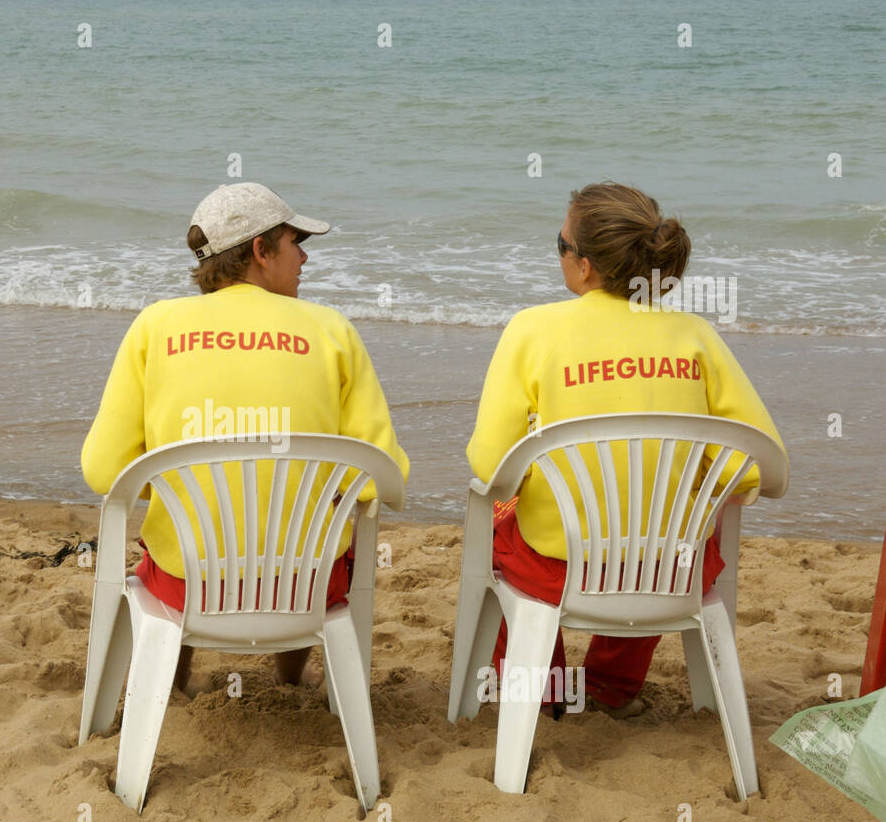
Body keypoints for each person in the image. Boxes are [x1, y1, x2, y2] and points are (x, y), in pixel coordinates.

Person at [466, 181, 786, 716]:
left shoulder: (532, 329)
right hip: (672, 572)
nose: (559, 255)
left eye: (561, 244)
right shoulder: (695, 335)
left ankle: (544, 695)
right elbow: (757, 468)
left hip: (560, 570)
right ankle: (610, 688)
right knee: (660, 525)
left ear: (585, 266)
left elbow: (492, 465)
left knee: (500, 518)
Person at [82, 182, 410, 692]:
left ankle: (172, 685)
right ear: (261, 250)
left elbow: (103, 470)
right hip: (305, 589)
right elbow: (385, 478)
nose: (304, 257)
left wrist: (183, 485)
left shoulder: (155, 327)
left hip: (188, 587)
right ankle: (291, 681)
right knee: (307, 531)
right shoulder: (331, 329)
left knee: (183, 536)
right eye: (296, 241)